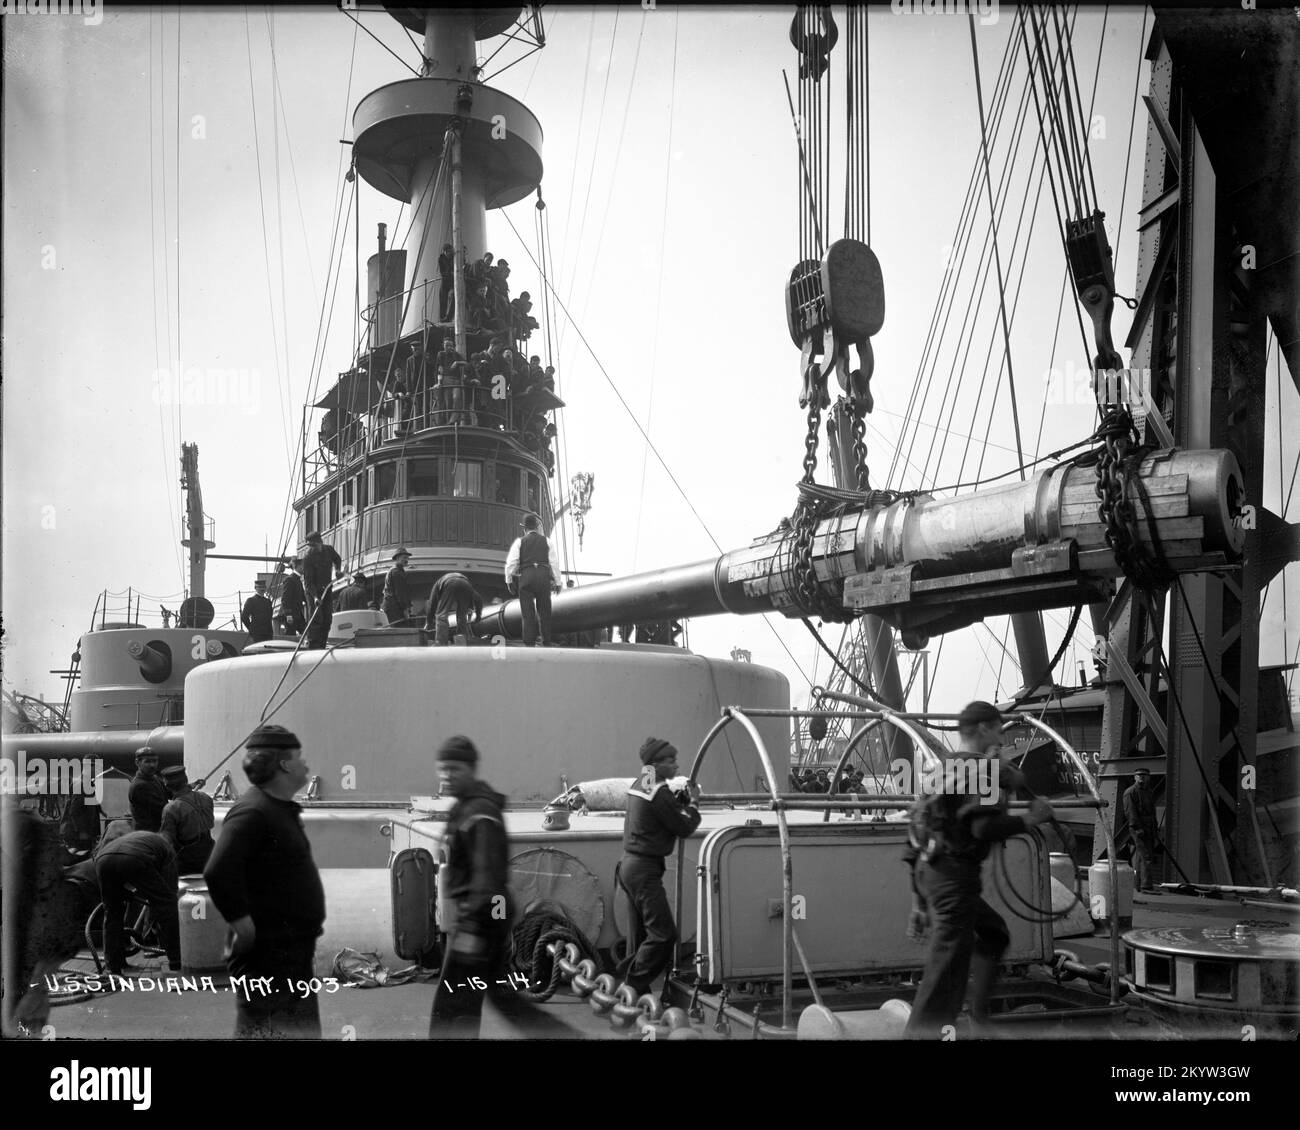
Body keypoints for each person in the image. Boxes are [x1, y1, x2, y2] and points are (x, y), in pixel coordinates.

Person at [902, 701, 1055, 1039]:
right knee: (946, 972)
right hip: (955, 878)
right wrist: (1031, 818)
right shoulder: (982, 772)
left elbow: (915, 834)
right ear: (985, 728)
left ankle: (980, 1018)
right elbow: (982, 829)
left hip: (931, 874)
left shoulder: (940, 769)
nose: (1001, 736)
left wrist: (918, 901)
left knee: (994, 933)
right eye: (999, 729)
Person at [429, 736, 566, 1039]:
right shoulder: (467, 808)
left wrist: (470, 930)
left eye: (454, 768)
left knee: (454, 1001)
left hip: (481, 920)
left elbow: (487, 878)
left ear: (471, 769)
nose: (446, 776)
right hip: (482, 918)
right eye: (442, 769)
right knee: (498, 997)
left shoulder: (480, 813)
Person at [204, 724, 325, 1039]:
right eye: (299, 758)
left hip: (290, 956)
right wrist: (242, 923)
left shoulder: (275, 808)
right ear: (284, 763)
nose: (306, 765)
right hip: (270, 960)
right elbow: (218, 870)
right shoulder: (254, 811)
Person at [620, 738, 701, 998]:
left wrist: (676, 802)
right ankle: (631, 985)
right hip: (644, 871)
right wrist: (693, 804)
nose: (676, 765)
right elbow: (684, 827)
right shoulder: (658, 790)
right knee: (664, 935)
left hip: (629, 867)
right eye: (670, 760)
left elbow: (657, 809)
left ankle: (632, 984)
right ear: (656, 763)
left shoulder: (642, 783)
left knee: (643, 936)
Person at [93, 827, 182, 976]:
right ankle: (176, 960)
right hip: (133, 859)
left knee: (112, 914)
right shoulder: (167, 848)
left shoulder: (142, 838)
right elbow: (170, 892)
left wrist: (126, 894)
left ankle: (113, 967)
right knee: (168, 905)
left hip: (103, 860)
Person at [504, 513, 560, 647]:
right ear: (537, 526)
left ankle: (529, 643)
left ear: (524, 529)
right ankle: (546, 642)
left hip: (527, 576)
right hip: (543, 576)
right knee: (545, 612)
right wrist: (558, 583)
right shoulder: (547, 541)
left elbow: (511, 563)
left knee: (527, 613)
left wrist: (509, 581)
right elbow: (554, 563)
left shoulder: (519, 542)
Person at [160, 766, 215, 874]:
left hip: (188, 859)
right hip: (210, 853)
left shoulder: (172, 808)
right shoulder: (206, 798)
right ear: (185, 780)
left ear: (166, 785)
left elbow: (167, 839)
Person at [301, 532, 343, 649]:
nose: (311, 548)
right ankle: (313, 646)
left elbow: (337, 558)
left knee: (327, 619)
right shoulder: (308, 558)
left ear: (320, 543)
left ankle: (322, 645)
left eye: (313, 546)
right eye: (310, 546)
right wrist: (315, 597)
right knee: (316, 618)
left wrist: (338, 570)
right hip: (313, 592)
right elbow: (308, 583)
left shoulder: (328, 550)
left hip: (327, 589)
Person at [1123, 768, 1160, 893]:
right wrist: (1137, 828)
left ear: (1148, 777)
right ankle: (1146, 886)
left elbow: (1153, 812)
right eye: (1139, 775)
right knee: (1146, 857)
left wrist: (1155, 828)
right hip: (1139, 828)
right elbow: (1130, 812)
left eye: (1144, 775)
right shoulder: (1130, 792)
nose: (1141, 778)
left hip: (1149, 828)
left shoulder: (1148, 792)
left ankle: (1139, 885)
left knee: (1141, 857)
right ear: (1134, 777)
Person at [425, 572, 483, 647]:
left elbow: (431, 605)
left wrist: (429, 622)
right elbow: (479, 599)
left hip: (450, 582)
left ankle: (441, 643)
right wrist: (478, 616)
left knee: (441, 615)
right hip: (466, 584)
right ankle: (461, 641)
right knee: (462, 617)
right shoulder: (464, 584)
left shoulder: (436, 587)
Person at [128, 747, 168, 833]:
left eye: (154, 761)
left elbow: (170, 792)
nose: (152, 765)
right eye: (147, 761)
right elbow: (161, 809)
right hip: (147, 834)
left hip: (157, 830)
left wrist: (189, 787)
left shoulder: (155, 778)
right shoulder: (139, 786)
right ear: (137, 762)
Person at [278, 559, 307, 637]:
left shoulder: (297, 580)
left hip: (297, 614)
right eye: (304, 566)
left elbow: (303, 596)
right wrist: (288, 614)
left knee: (306, 631)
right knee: (290, 635)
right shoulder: (290, 580)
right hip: (290, 614)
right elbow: (285, 599)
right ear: (299, 566)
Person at [383, 547, 412, 624]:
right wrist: (405, 609)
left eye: (407, 558)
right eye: (404, 558)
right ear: (398, 558)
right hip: (394, 608)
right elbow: (400, 593)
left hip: (390, 606)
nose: (406, 560)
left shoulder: (395, 570)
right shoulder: (396, 573)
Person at [437, 242, 455, 321]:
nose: (449, 254)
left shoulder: (453, 258)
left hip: (452, 281)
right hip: (445, 281)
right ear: (444, 251)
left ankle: (449, 317)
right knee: (443, 299)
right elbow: (442, 272)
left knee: (452, 296)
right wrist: (450, 273)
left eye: (450, 252)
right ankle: (442, 317)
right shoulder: (441, 259)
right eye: (448, 252)